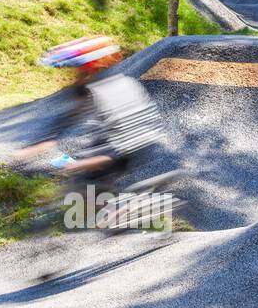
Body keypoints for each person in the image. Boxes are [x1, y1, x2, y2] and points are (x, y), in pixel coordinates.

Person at [19, 35, 171, 237]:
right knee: (84, 186)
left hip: (134, 144)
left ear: (92, 69)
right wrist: (40, 144)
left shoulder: (112, 91)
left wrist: (90, 162)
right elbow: (67, 120)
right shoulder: (88, 89)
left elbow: (123, 141)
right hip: (110, 139)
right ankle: (111, 213)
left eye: (79, 71)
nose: (74, 77)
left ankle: (135, 208)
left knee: (87, 183)